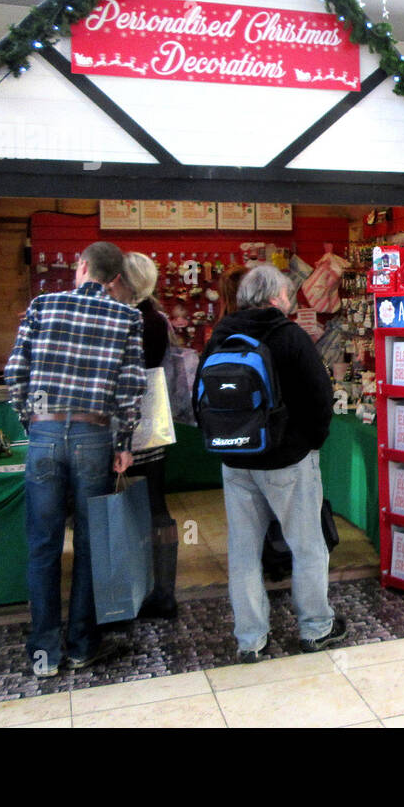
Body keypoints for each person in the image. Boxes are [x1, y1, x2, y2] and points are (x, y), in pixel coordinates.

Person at [5, 241, 146, 676]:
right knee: (91, 544)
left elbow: (16, 373)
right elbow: (130, 387)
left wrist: (33, 420)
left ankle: (44, 652)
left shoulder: (43, 305)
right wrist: (123, 443)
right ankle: (84, 644)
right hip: (95, 434)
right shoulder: (128, 317)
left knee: (43, 545)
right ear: (117, 278)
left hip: (46, 431)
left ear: (81, 265)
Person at [202, 263, 345, 660]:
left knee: (243, 552)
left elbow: (202, 401)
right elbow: (321, 397)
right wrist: (310, 444)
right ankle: (316, 628)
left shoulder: (221, 335)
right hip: (287, 461)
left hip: (235, 460)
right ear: (276, 297)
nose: (290, 298)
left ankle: (251, 639)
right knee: (307, 546)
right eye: (286, 293)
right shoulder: (289, 335)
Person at [110, 252, 179, 619]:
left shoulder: (119, 318)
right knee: (156, 507)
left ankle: (120, 589)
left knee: (113, 503)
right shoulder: (157, 318)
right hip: (154, 418)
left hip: (120, 417)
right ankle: (165, 591)